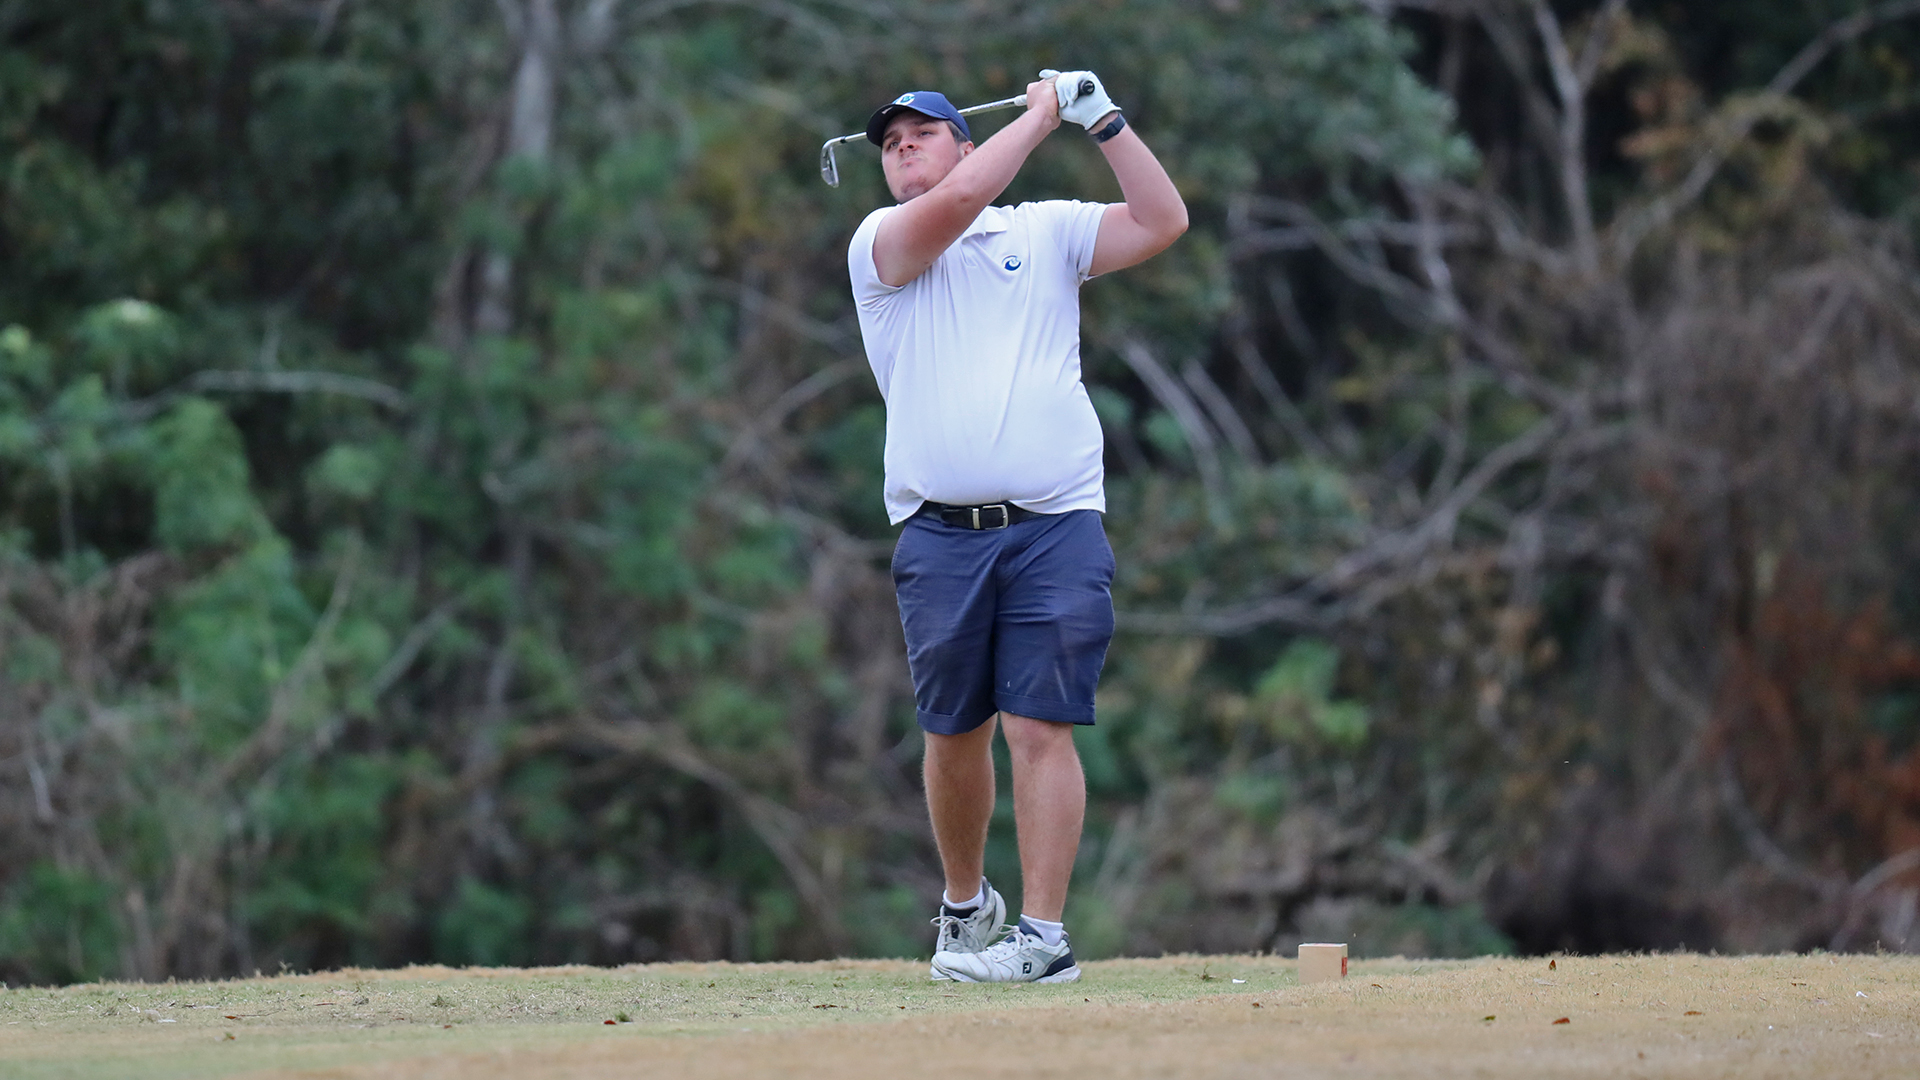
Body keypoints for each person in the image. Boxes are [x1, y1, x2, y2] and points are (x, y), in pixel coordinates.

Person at [846, 70, 1186, 983]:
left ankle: (1042, 938)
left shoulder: (1043, 231)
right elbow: (961, 200)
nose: (904, 150)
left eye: (922, 134)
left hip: (1056, 522)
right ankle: (967, 906)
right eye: (891, 144)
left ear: (965, 140)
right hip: (938, 532)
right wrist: (1040, 118)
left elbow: (1162, 221)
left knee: (1040, 726)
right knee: (954, 731)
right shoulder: (879, 243)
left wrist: (1102, 119)